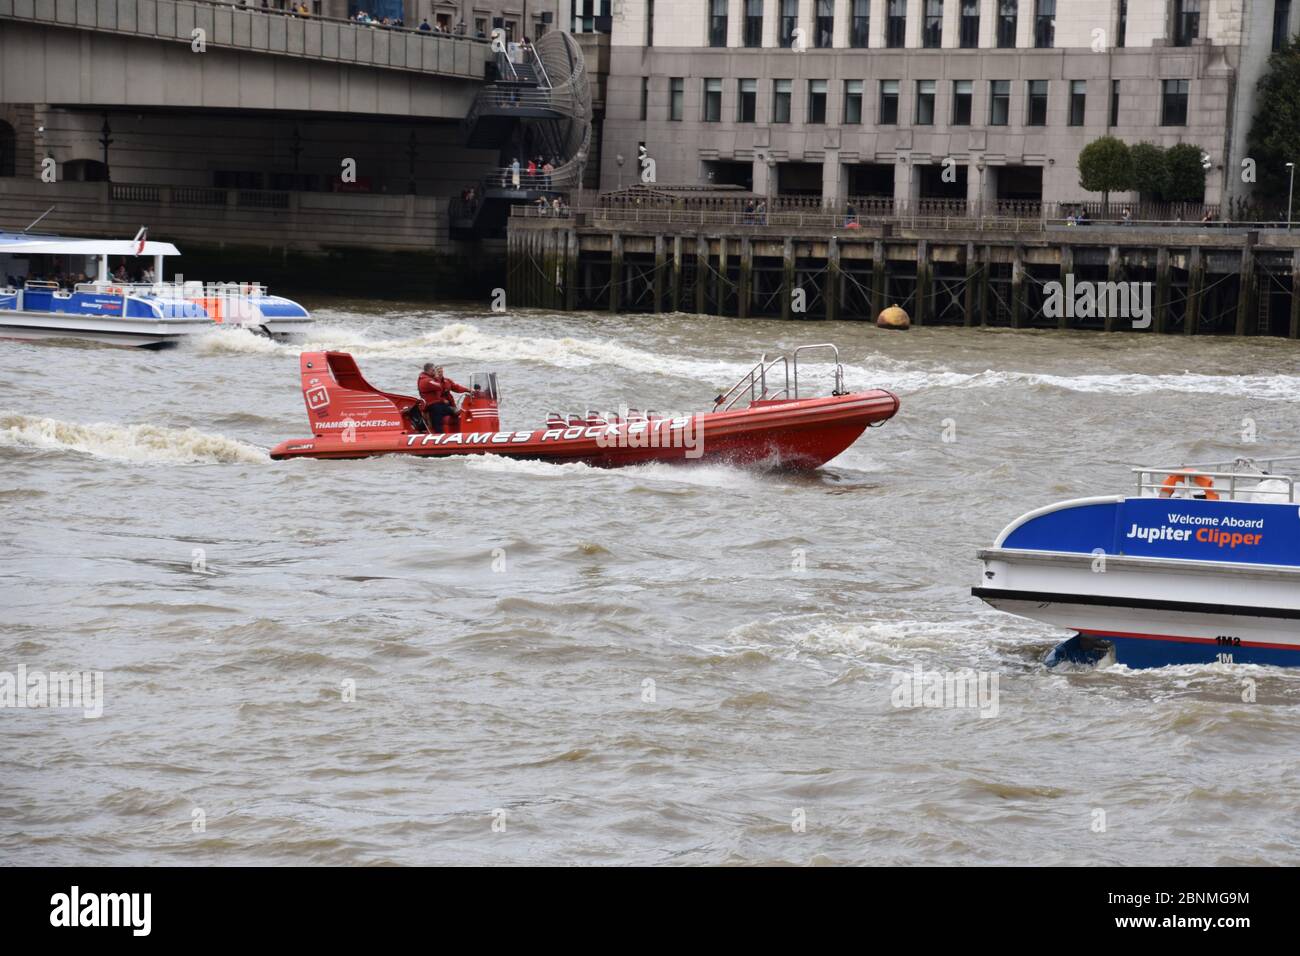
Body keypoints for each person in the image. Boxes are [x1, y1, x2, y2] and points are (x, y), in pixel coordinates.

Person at [417, 363, 470, 434]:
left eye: (441, 372)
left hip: (441, 404)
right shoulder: (425, 380)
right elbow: (439, 386)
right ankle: (439, 434)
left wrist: (468, 390)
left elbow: (456, 387)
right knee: (438, 414)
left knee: (455, 412)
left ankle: (459, 430)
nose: (440, 374)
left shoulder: (445, 381)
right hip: (433, 405)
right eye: (437, 372)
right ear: (430, 370)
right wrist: (437, 378)